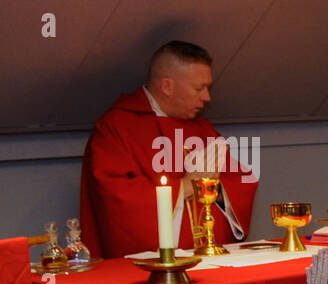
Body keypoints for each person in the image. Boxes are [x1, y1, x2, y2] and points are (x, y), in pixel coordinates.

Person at [79, 40, 257, 259]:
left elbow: (239, 181)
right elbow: (116, 198)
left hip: (209, 261)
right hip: (145, 268)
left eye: (208, 88)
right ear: (167, 87)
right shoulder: (116, 129)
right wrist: (185, 186)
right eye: (198, 89)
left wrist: (213, 184)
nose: (207, 98)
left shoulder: (202, 129)